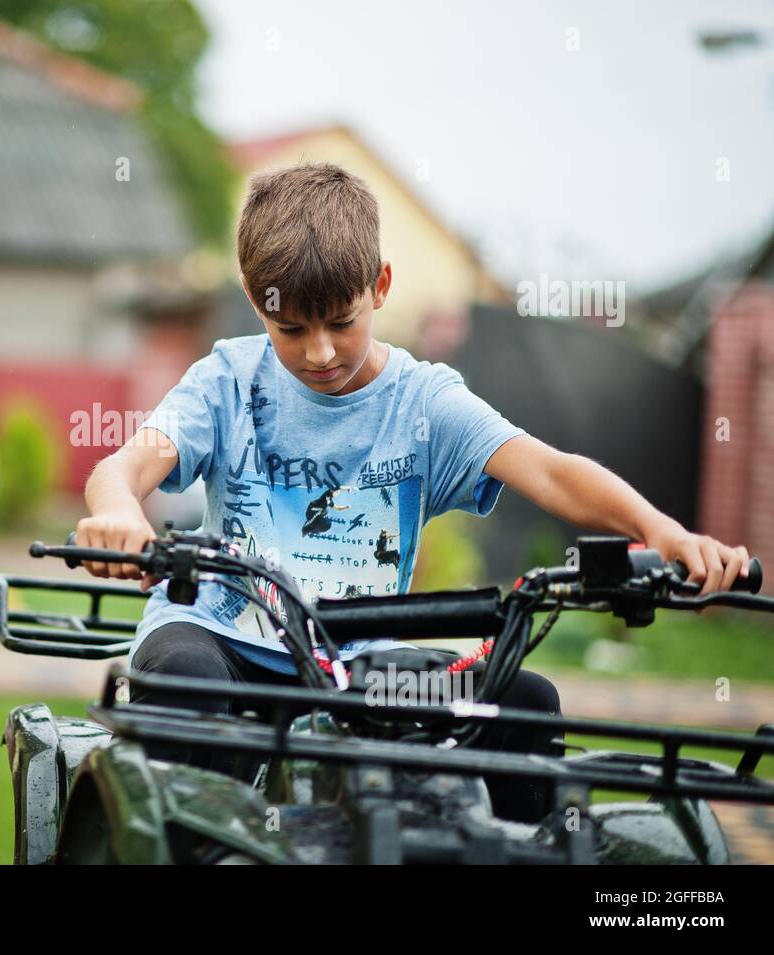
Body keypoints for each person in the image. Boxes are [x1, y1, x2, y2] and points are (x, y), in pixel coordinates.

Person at [77, 161, 752, 823]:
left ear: (381, 286)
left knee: (525, 704)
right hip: (222, 638)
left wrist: (663, 532)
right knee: (180, 676)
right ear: (259, 303)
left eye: (341, 320)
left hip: (359, 668)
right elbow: (124, 467)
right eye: (291, 329)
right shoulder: (228, 378)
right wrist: (116, 511)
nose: (319, 352)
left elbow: (550, 470)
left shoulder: (423, 401)